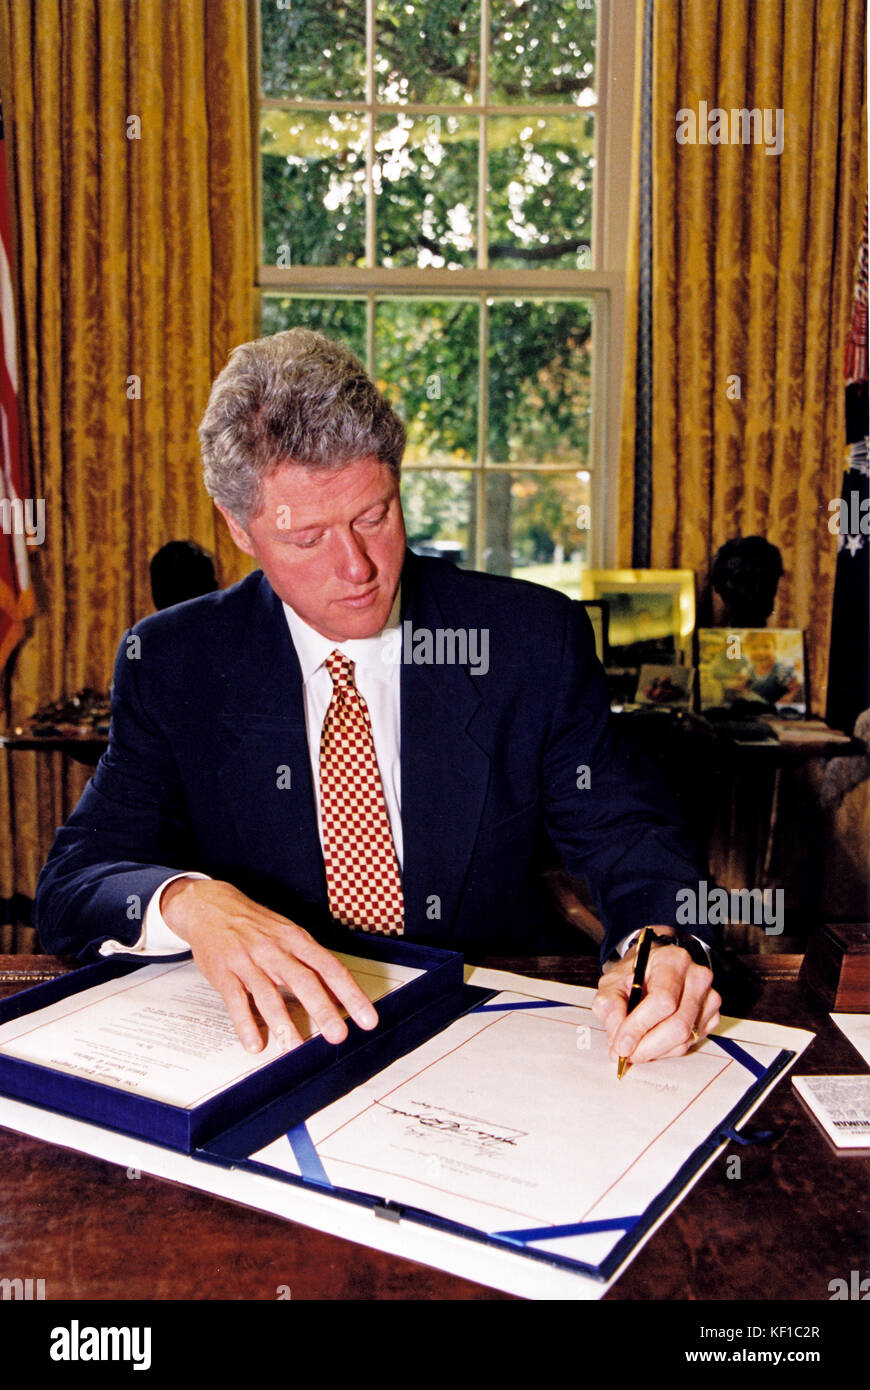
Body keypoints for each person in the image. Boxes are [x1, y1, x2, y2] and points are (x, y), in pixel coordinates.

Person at [35, 330, 721, 1069]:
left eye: (374, 515)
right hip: (277, 1043)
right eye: (307, 540)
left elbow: (626, 835)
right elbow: (75, 883)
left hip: (492, 1040)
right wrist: (191, 904)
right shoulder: (175, 662)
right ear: (239, 528)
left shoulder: (529, 638)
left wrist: (664, 941)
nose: (356, 568)